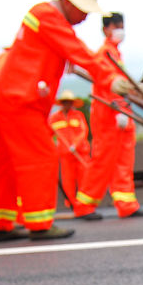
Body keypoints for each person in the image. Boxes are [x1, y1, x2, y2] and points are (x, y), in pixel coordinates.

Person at [0, 0, 128, 241]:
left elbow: (66, 52)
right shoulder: (49, 16)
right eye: (84, 11)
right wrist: (111, 79)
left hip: (9, 98)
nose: (85, 18)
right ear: (70, 3)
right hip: (22, 101)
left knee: (6, 162)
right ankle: (39, 223)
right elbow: (79, 51)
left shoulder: (44, 16)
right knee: (41, 158)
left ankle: (0, 223)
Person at [72, 12, 141, 220]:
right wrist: (118, 110)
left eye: (121, 25)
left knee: (123, 160)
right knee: (103, 160)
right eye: (116, 26)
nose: (120, 30)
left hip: (120, 113)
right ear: (106, 29)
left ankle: (126, 204)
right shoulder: (105, 54)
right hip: (109, 114)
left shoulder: (116, 54)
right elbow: (108, 84)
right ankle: (84, 205)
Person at [47, 91, 96, 219]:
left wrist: (75, 144)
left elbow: (83, 131)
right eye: (65, 102)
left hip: (80, 152)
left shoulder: (78, 116)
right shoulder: (54, 118)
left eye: (69, 102)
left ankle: (84, 203)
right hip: (65, 155)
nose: (67, 105)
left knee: (84, 178)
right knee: (68, 181)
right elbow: (48, 134)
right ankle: (72, 203)